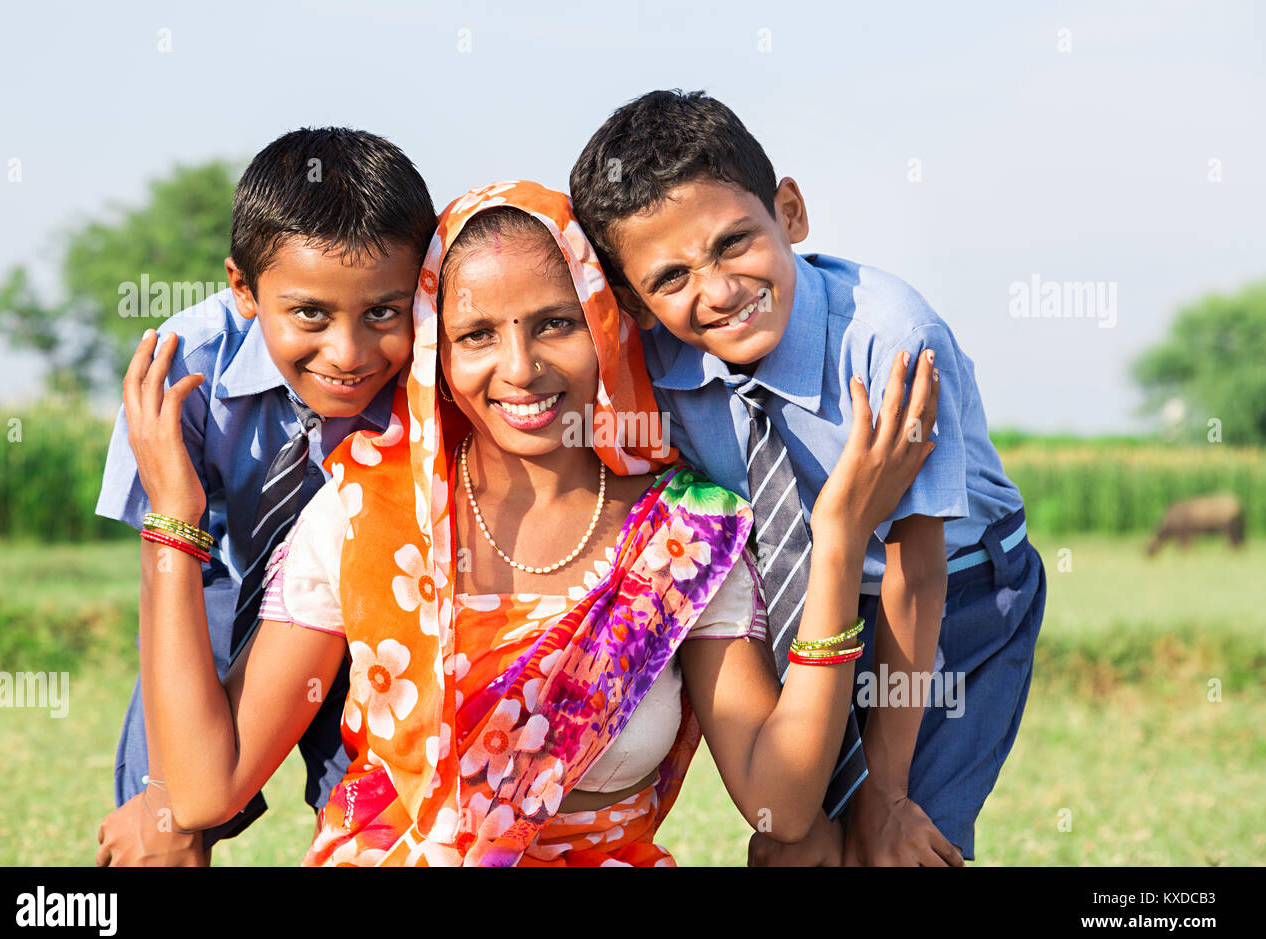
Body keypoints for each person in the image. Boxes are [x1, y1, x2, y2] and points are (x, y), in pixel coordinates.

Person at [120, 180, 938, 865]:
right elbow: (206, 786)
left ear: (607, 324)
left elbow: (781, 806)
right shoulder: (367, 510)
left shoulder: (680, 537)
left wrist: (838, 547)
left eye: (555, 323)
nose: (519, 369)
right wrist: (173, 521)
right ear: (437, 348)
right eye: (476, 334)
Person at [570, 89, 1048, 865]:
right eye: (671, 278)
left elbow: (916, 569)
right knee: (790, 846)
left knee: (895, 844)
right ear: (632, 299)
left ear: (789, 212)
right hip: (805, 595)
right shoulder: (652, 360)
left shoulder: (890, 340)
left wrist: (885, 794)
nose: (717, 290)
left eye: (734, 243)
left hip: (953, 599)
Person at [94, 127, 436, 865]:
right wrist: (173, 509)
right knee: (161, 831)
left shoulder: (444, 372)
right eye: (310, 313)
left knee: (388, 834)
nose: (348, 355)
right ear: (244, 289)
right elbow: (165, 574)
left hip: (381, 621)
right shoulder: (178, 373)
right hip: (216, 593)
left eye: (384, 312)